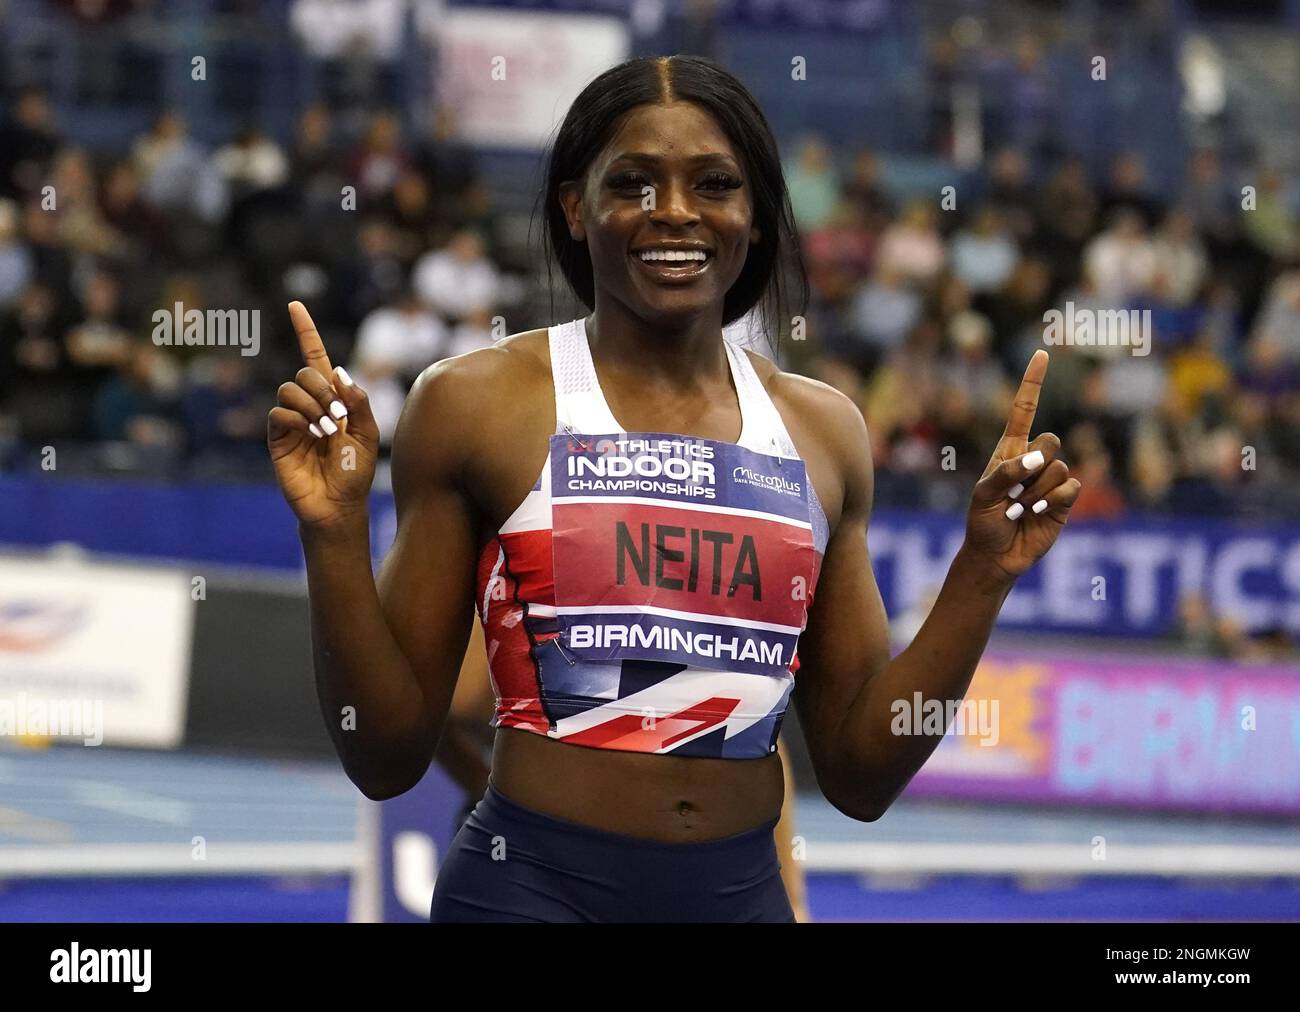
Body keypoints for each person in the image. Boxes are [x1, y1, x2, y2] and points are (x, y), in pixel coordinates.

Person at [266, 55, 1080, 923]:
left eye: (715, 183)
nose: (676, 211)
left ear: (758, 217)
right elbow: (382, 756)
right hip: (529, 895)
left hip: (741, 900)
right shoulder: (477, 403)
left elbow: (861, 773)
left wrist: (982, 575)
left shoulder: (824, 432)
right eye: (635, 182)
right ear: (576, 209)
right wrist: (334, 530)